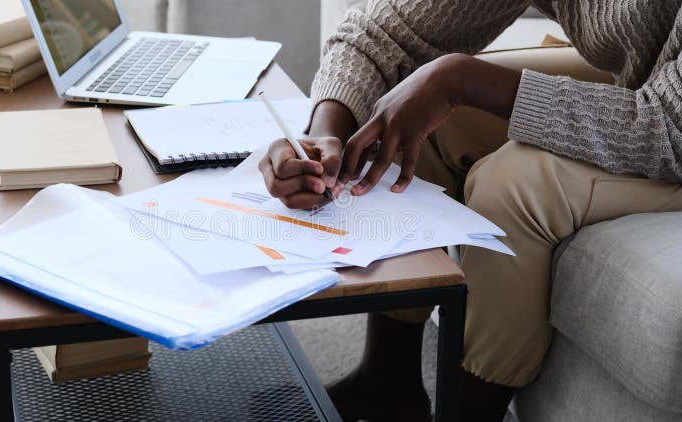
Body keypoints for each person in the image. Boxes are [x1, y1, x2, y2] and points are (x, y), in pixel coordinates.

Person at [259, 1, 682, 421]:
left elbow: (670, 128)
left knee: (515, 183)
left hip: (672, 126)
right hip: (649, 86)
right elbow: (383, 33)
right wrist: (324, 138)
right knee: (407, 104)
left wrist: (458, 78)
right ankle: (388, 383)